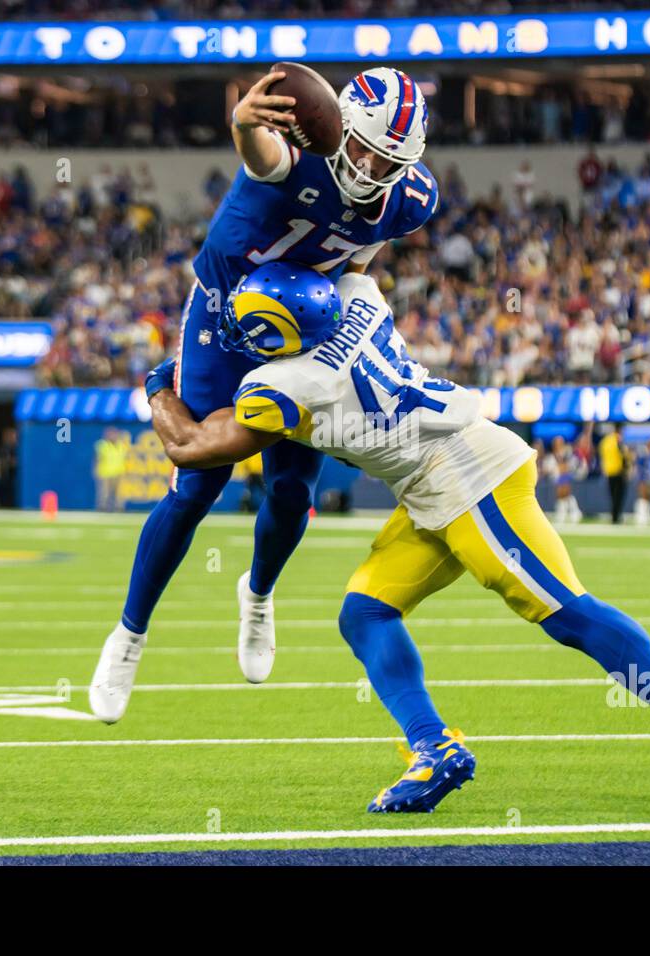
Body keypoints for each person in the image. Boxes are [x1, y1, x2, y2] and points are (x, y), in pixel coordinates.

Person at [136, 264, 650, 816]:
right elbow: (354, 251)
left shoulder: (283, 388)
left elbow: (189, 447)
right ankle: (435, 748)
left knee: (567, 613)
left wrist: (161, 386)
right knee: (364, 614)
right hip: (436, 477)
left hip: (470, 479)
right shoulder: (359, 295)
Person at [93, 67, 439, 707]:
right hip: (224, 319)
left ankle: (257, 594)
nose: (370, 166)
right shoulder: (294, 160)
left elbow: (359, 259)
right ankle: (129, 634)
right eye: (362, 147)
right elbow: (263, 153)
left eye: (389, 159)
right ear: (337, 127)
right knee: (198, 485)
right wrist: (245, 122)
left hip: (304, 325)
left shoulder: (410, 198)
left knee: (289, 488)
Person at [598, 424, 628, 524]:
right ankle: (616, 517)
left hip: (609, 471)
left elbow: (601, 454)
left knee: (612, 495)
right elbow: (623, 454)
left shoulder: (605, 441)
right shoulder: (618, 439)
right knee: (618, 496)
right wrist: (626, 468)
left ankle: (614, 515)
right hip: (618, 472)